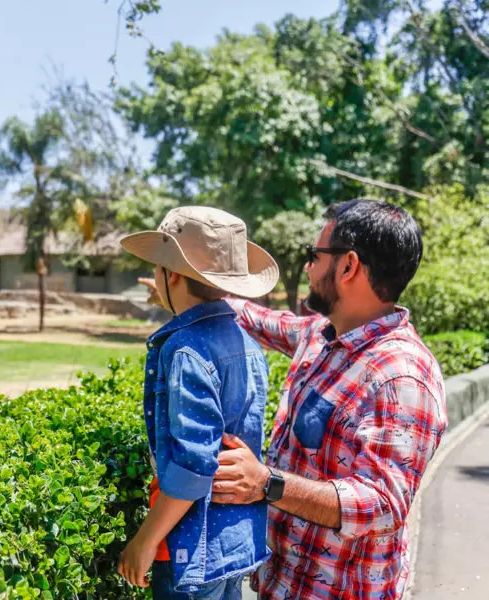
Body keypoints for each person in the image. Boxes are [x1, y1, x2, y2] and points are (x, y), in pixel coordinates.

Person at [141, 199, 446, 600]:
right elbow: (251, 317)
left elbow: (383, 505)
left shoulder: (402, 375)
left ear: (349, 266)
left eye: (314, 256)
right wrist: (187, 283)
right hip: (281, 584)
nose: (307, 267)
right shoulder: (320, 335)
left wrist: (268, 484)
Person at [117, 205, 279, 599]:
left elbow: (193, 468)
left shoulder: (185, 349)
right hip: (235, 545)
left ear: (170, 274)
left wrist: (144, 540)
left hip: (190, 553)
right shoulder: (248, 345)